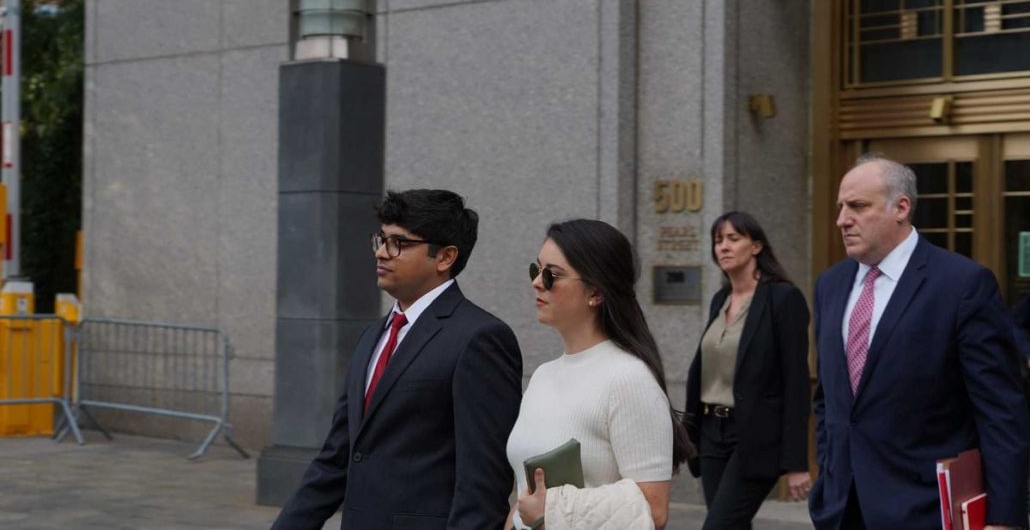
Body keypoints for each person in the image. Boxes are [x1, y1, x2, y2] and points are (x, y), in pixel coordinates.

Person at [272, 189, 523, 530]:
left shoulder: (480, 338)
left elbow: (484, 481)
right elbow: (337, 458)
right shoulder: (371, 337)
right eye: (381, 239)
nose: (381, 252)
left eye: (399, 243)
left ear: (445, 257)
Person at [809, 155, 1029, 529]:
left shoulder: (962, 285)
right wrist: (828, 476)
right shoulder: (830, 285)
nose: (843, 219)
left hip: (924, 509)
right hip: (841, 509)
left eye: (858, 206)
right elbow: (829, 398)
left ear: (901, 208)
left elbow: (1000, 410)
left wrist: (1003, 517)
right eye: (841, 207)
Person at [505, 219, 694, 530]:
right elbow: (525, 498)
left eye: (552, 274)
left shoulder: (629, 378)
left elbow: (653, 508)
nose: (537, 282)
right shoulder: (542, 375)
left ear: (595, 292)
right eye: (536, 270)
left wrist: (553, 509)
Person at [684, 211, 812, 529]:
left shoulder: (783, 298)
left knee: (719, 525)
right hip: (711, 434)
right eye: (718, 240)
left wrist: (797, 463)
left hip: (754, 437)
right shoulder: (720, 300)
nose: (723, 247)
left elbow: (796, 383)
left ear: (756, 246)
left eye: (733, 238)